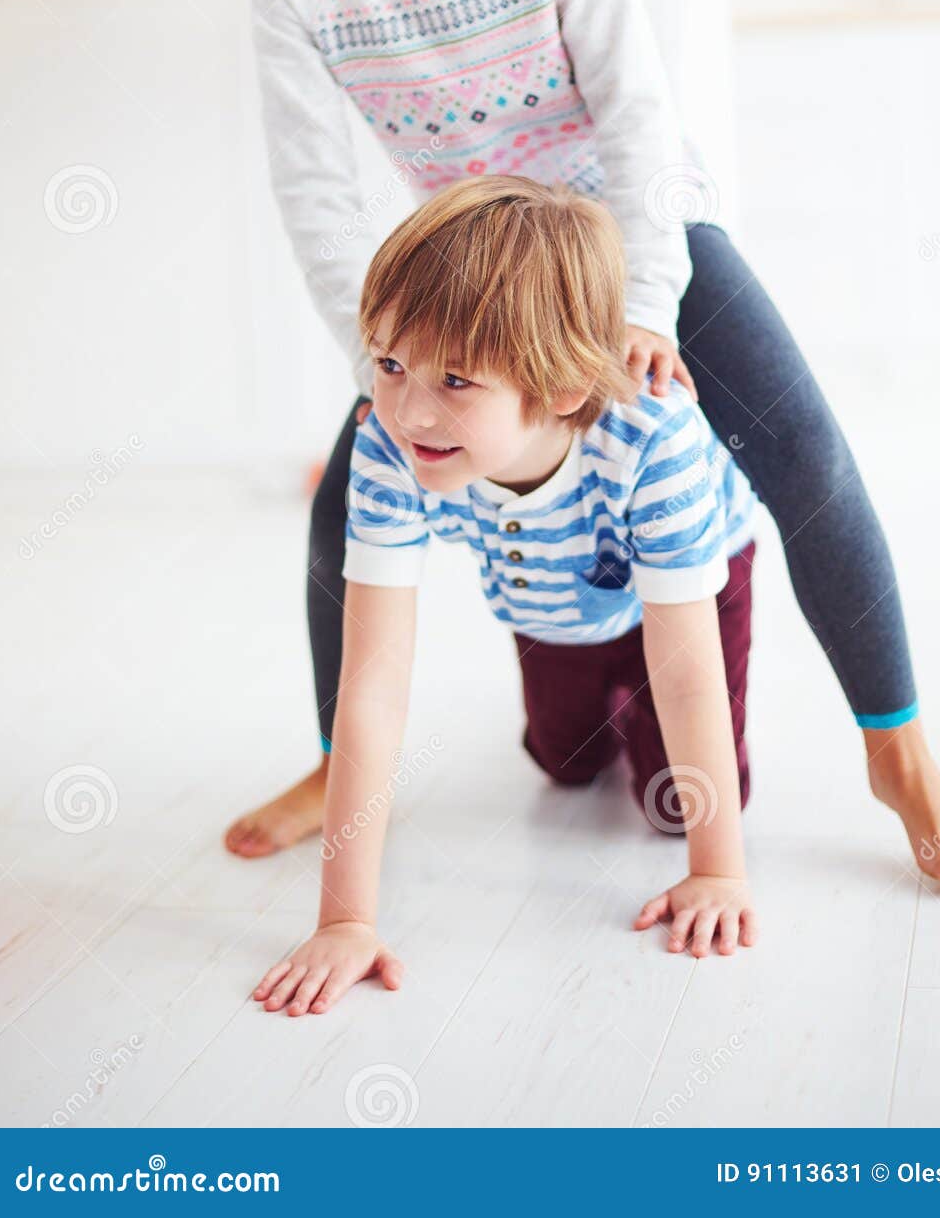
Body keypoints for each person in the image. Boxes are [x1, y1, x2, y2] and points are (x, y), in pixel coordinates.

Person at [225, 0, 940, 898]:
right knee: (339, 507)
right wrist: (383, 368)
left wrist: (644, 305)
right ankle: (333, 765)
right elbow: (315, 199)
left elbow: (638, 111)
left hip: (635, 232)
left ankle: (897, 755)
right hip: (477, 277)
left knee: (802, 452)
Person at [254, 176, 760, 1017]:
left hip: (682, 598)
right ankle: (608, 702)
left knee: (676, 805)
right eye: (390, 363)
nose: (412, 410)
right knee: (562, 764)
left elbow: (688, 675)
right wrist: (345, 921)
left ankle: (645, 726)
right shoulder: (387, 440)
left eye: (456, 381)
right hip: (550, 601)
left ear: (561, 388)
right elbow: (371, 687)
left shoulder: (653, 439)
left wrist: (718, 873)